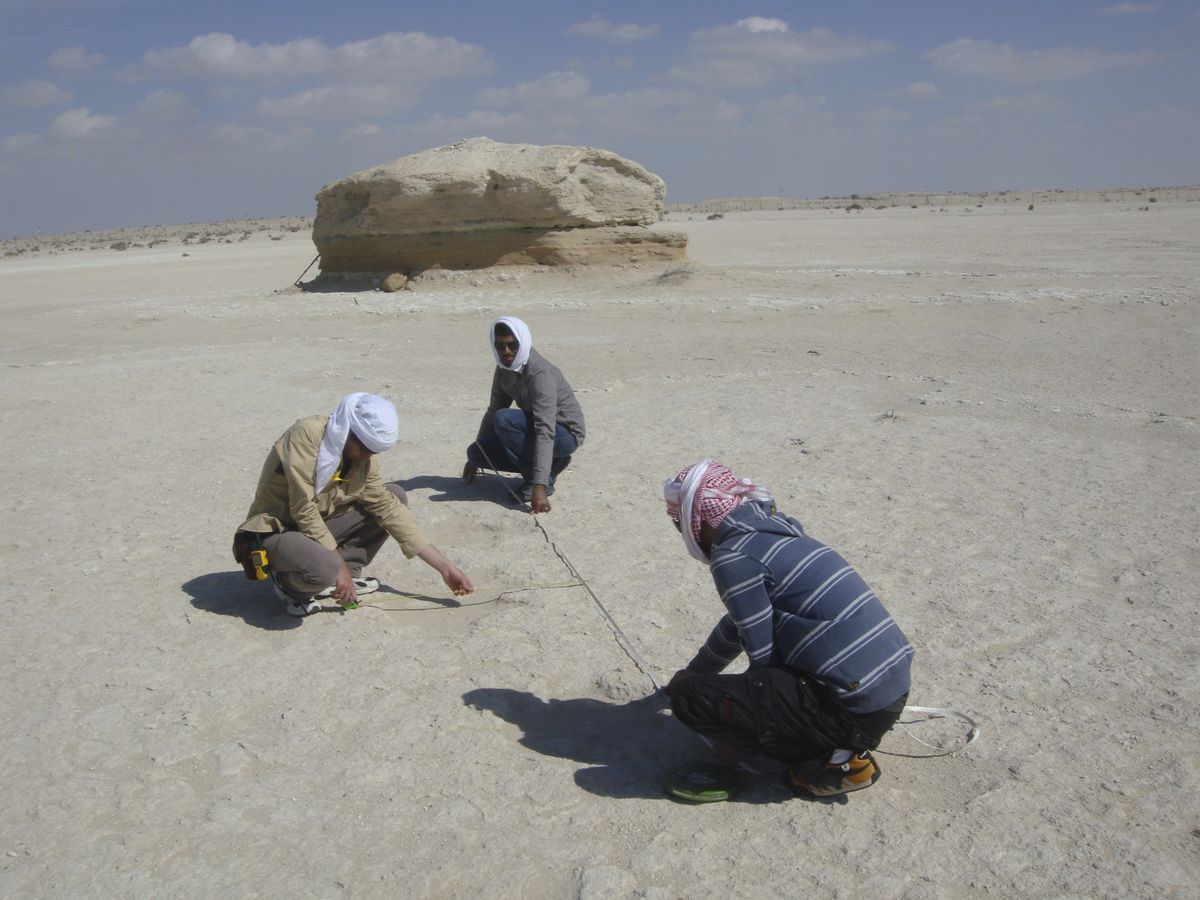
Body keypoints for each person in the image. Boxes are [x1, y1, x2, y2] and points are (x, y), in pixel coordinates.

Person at [662, 460, 913, 797]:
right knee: (703, 685)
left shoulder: (732, 555)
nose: (680, 530)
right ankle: (838, 745)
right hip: (887, 696)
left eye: (679, 521)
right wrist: (695, 670)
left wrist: (734, 729)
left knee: (691, 699)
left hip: (851, 710)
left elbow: (764, 662)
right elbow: (739, 623)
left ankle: (831, 762)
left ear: (701, 520)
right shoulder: (776, 533)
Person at [233, 392, 474, 617]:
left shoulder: (362, 459)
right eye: (366, 449)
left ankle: (340, 574)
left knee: (395, 496)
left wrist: (444, 567)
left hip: (315, 529)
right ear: (348, 430)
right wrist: (336, 566)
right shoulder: (306, 436)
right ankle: (291, 585)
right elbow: (303, 509)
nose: (368, 457)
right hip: (277, 531)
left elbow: (387, 508)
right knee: (326, 568)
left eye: (374, 451)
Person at [461, 316, 585, 514]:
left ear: (523, 342)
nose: (506, 352)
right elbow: (493, 408)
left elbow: (545, 429)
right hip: (536, 428)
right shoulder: (503, 369)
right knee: (476, 452)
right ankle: (552, 465)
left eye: (512, 345)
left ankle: (541, 479)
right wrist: (474, 460)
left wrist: (539, 486)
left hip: (564, 434)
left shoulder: (540, 374)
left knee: (504, 419)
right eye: (500, 346)